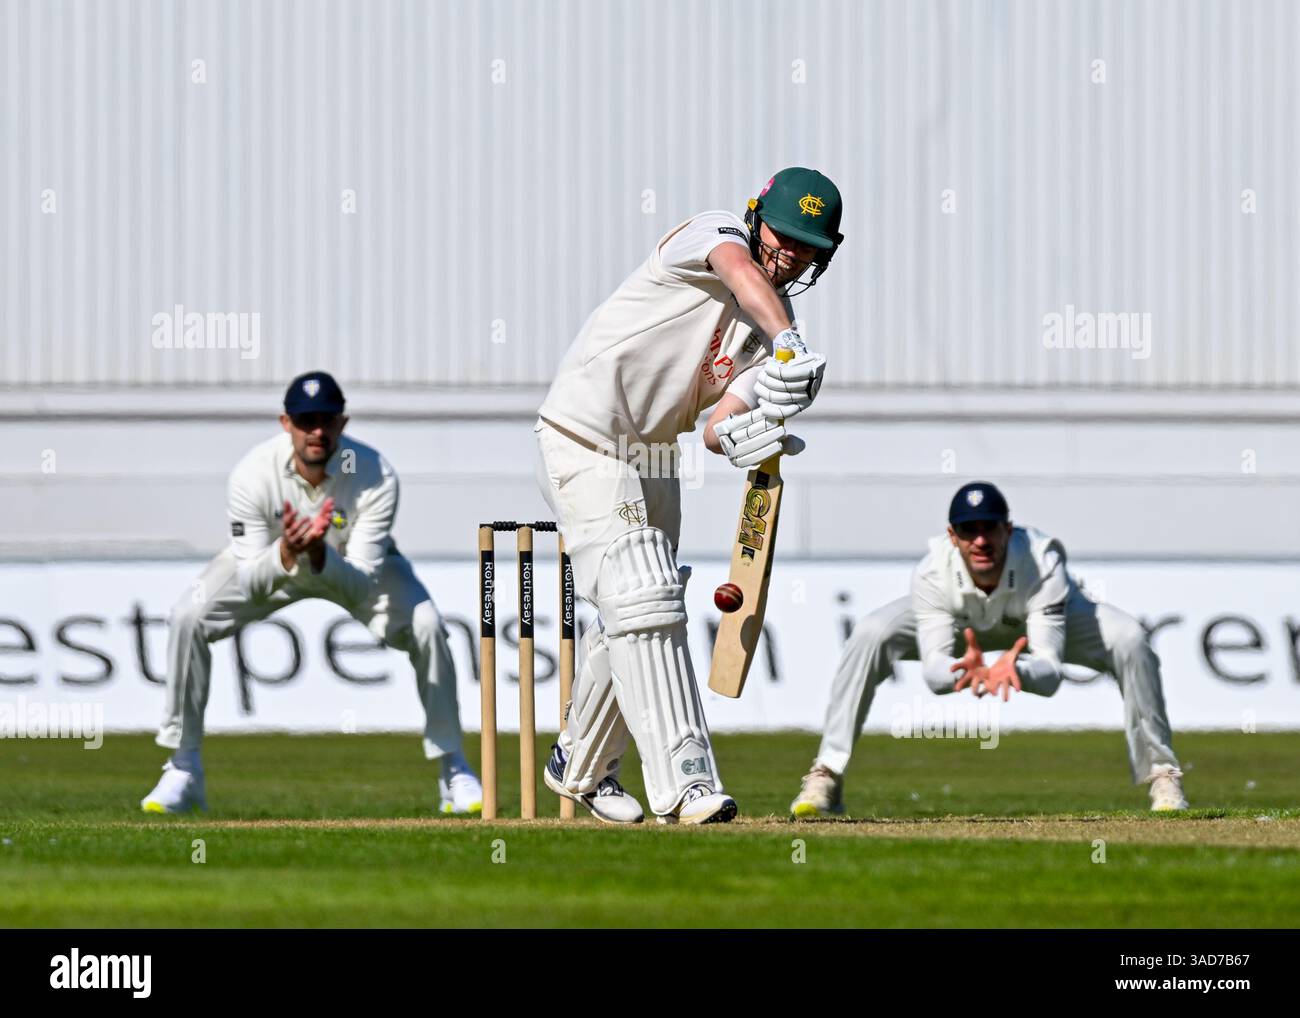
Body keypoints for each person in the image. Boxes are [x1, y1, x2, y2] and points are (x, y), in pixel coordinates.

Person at [535, 167, 844, 823]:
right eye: (783, 236)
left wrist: (751, 432)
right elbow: (737, 269)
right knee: (640, 591)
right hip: (584, 432)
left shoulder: (773, 339)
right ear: (758, 217)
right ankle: (688, 784)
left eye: (807, 246)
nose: (790, 253)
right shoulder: (714, 234)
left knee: (640, 601)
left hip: (651, 451)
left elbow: (714, 429)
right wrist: (790, 341)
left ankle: (579, 765)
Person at [140, 371, 482, 815]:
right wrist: (288, 550)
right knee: (189, 616)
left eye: (326, 419)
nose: (316, 431)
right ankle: (183, 768)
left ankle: (453, 769)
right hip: (273, 562)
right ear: (286, 423)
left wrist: (320, 554)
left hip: (347, 567)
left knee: (427, 625)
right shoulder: (253, 473)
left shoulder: (374, 474)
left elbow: (360, 581)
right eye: (306, 421)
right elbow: (250, 581)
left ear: (342, 422)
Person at [791, 481, 1188, 817]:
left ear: (1008, 530)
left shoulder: (1041, 561)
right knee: (871, 632)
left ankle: (1163, 775)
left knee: (1131, 639)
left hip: (1035, 626)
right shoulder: (933, 572)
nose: (980, 540)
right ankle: (826, 774)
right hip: (963, 630)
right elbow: (933, 672)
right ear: (952, 536)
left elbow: (1049, 673)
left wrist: (1017, 671)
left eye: (989, 529)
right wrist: (964, 670)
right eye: (968, 531)